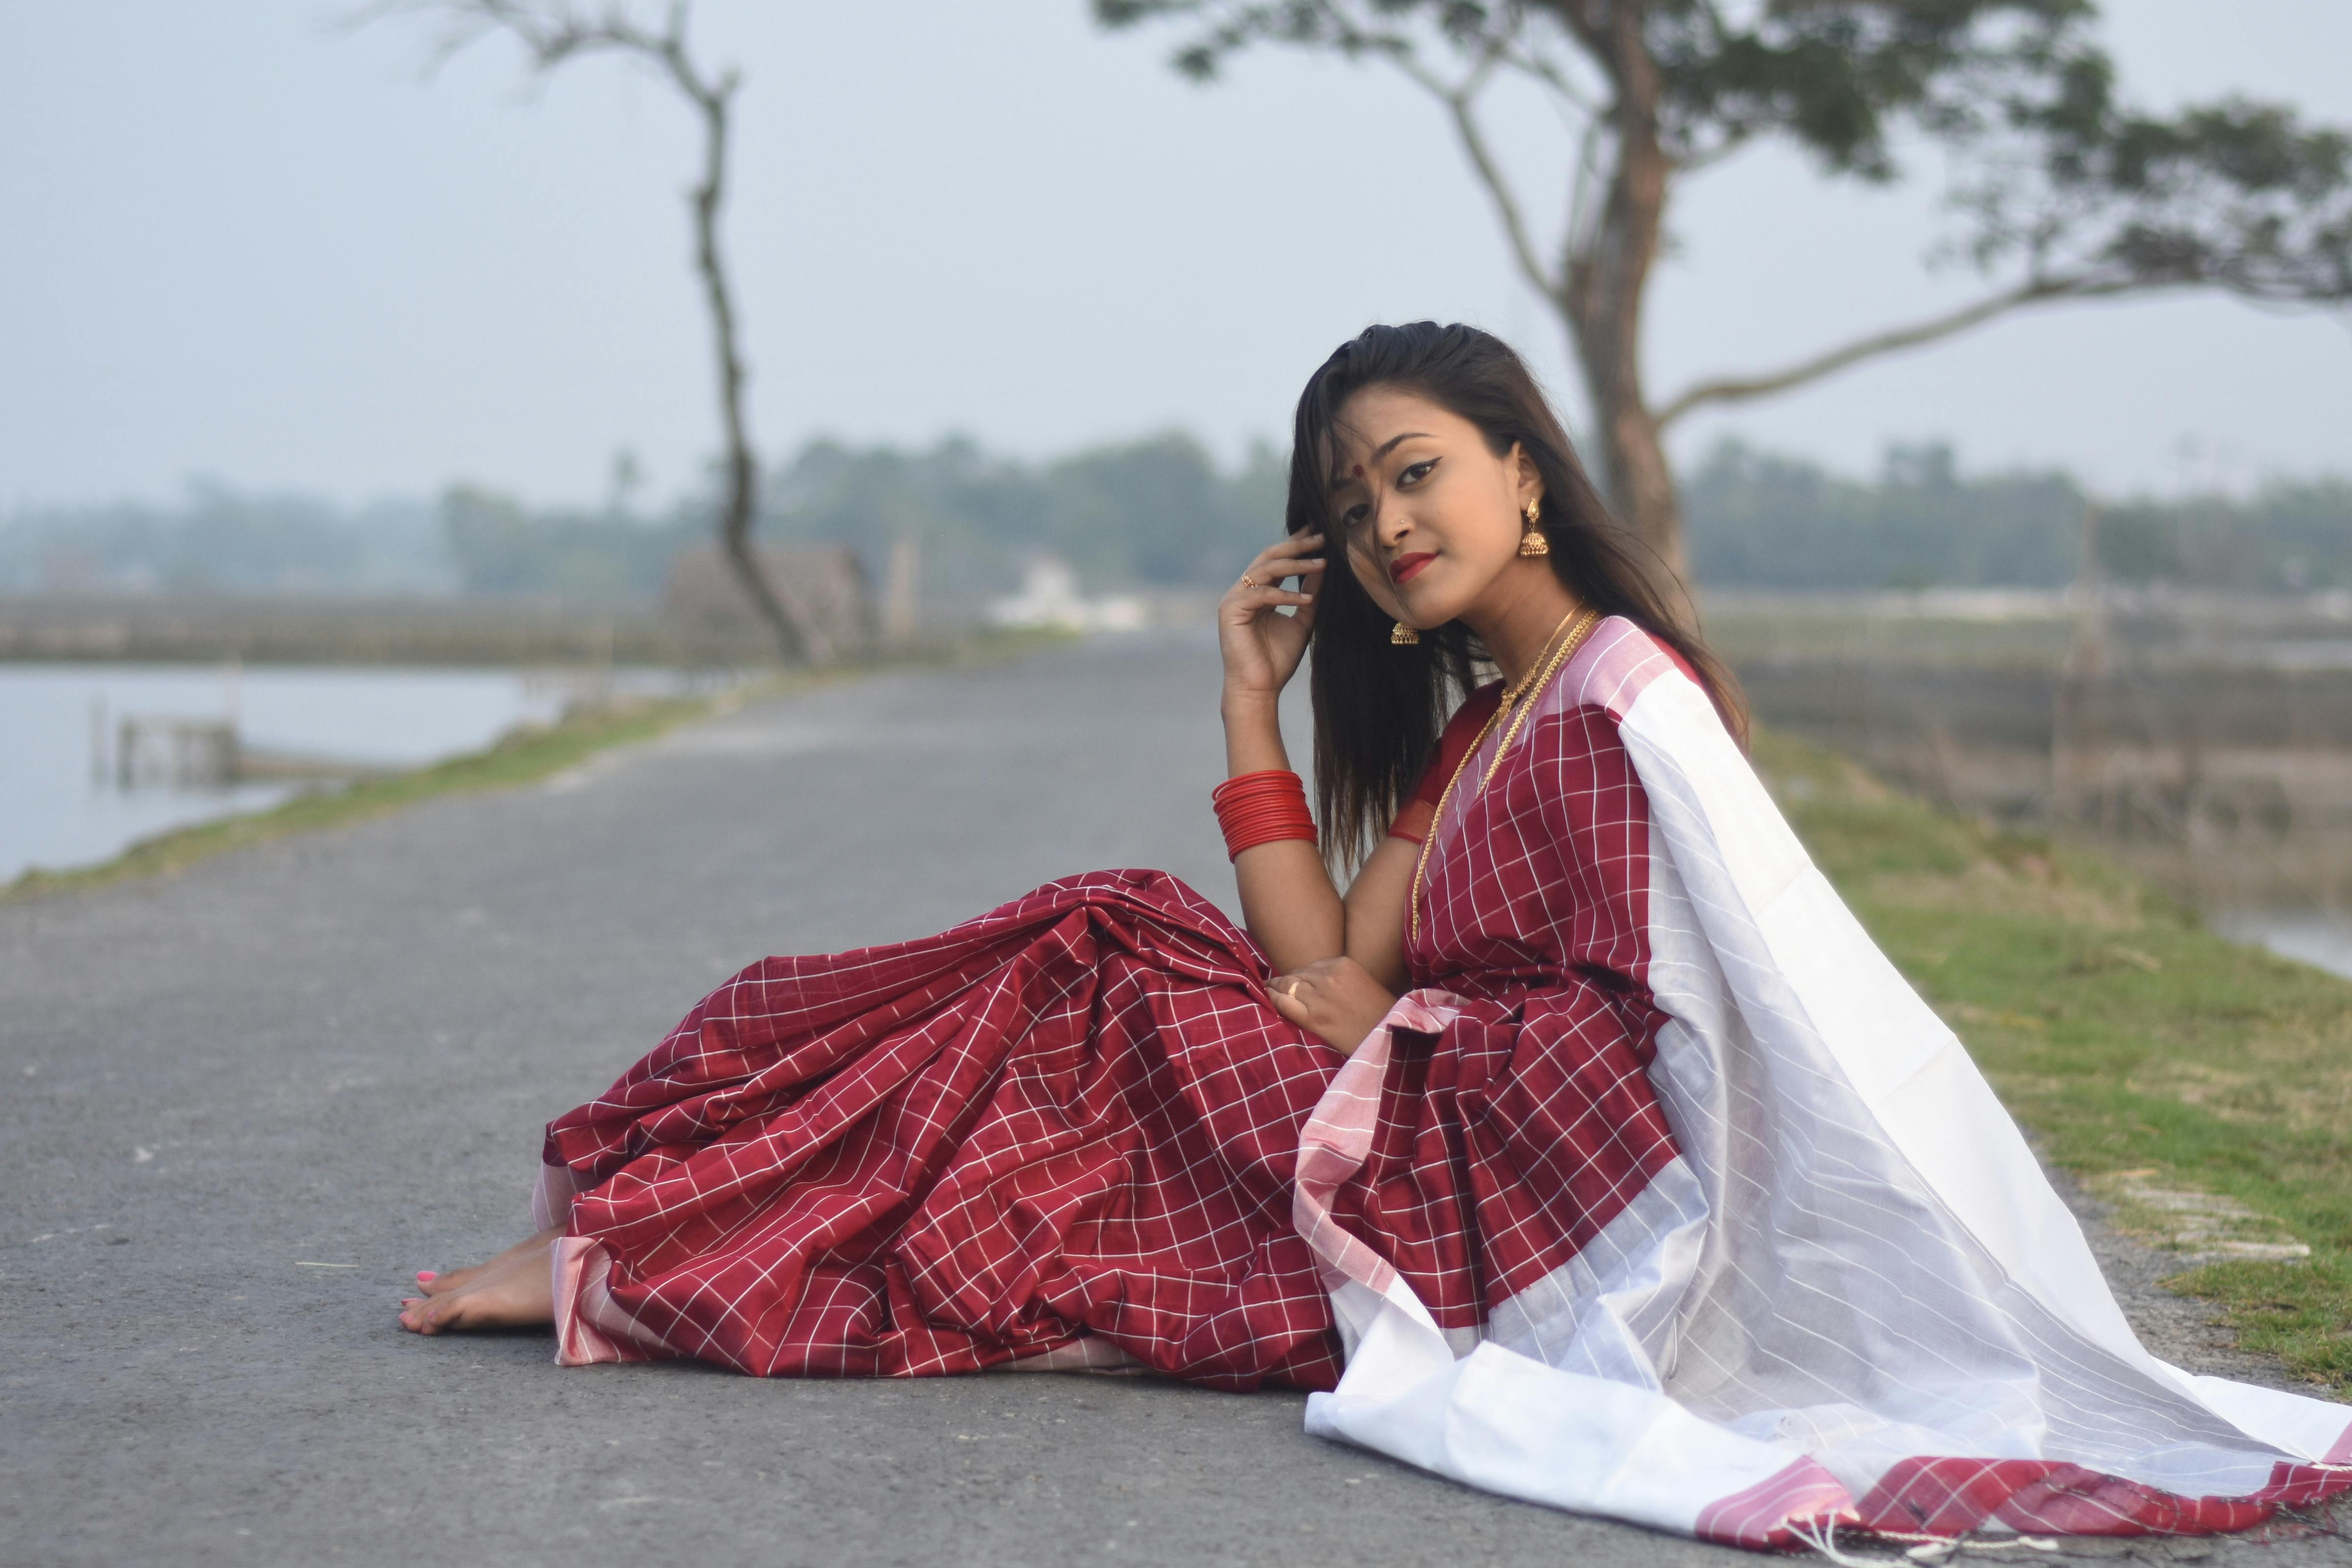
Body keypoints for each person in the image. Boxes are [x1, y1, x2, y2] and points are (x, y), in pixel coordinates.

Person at [400, 323, 2350, 1548]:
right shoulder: (1492, 721)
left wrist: (1386, 1019)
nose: (1393, 519)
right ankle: (638, 1245)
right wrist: (1251, 708)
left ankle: (636, 1252)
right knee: (1081, 1030)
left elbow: (1672, 1015)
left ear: (1522, 463)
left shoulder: (1625, 700)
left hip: (1517, 1186)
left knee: (1091, 958)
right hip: (1421, 1118)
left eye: (1418, 471)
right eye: (1358, 498)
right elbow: (1322, 950)